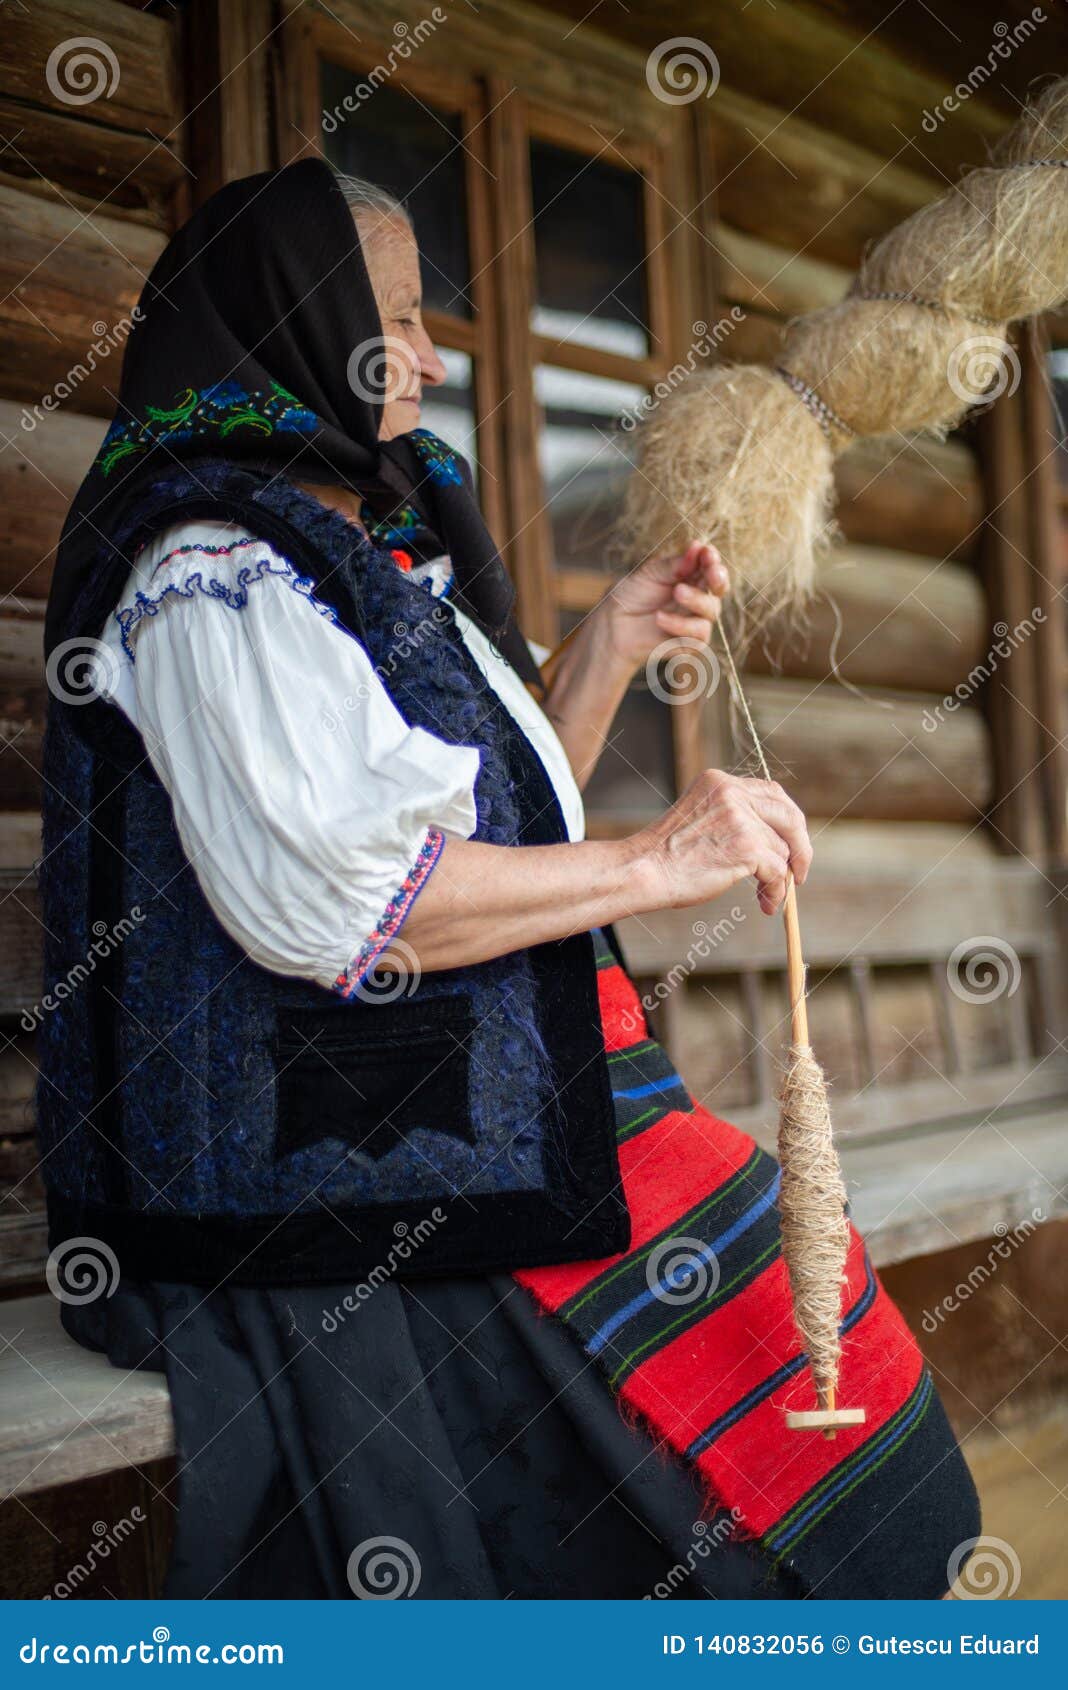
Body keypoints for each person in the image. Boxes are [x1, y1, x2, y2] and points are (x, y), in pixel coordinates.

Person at [36, 159, 979, 1600]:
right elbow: (358, 905)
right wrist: (658, 859)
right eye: (399, 319)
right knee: (795, 1430)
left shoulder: (367, 543)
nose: (432, 356)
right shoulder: (213, 565)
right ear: (290, 321)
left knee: (841, 1397)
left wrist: (597, 656)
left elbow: (478, 827)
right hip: (317, 1159)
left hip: (469, 1099)